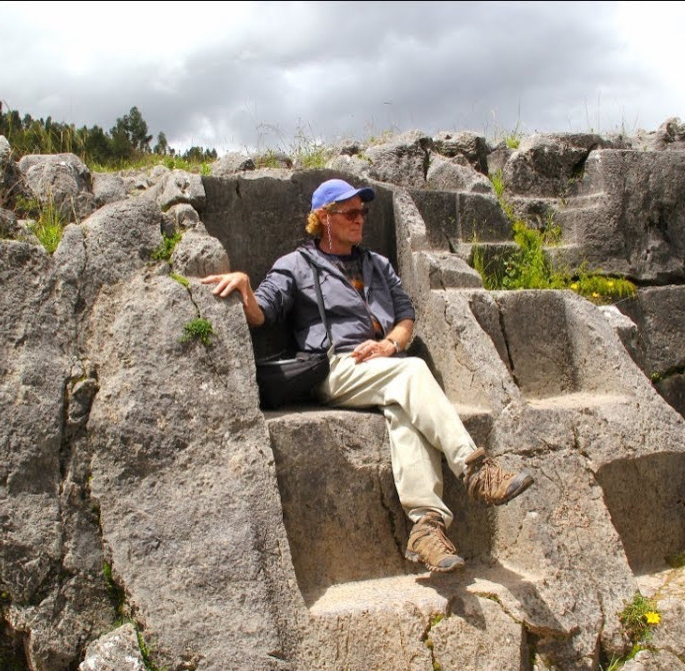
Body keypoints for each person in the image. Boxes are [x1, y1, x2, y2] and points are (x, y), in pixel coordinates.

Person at [202, 178, 534, 573]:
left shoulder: (378, 264)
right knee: (412, 372)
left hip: (383, 369)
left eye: (364, 212)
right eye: (351, 212)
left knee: (403, 414)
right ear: (324, 219)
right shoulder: (295, 265)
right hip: (334, 368)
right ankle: (476, 471)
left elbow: (406, 316)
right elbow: (263, 314)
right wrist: (244, 289)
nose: (361, 219)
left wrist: (389, 345)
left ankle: (426, 528)